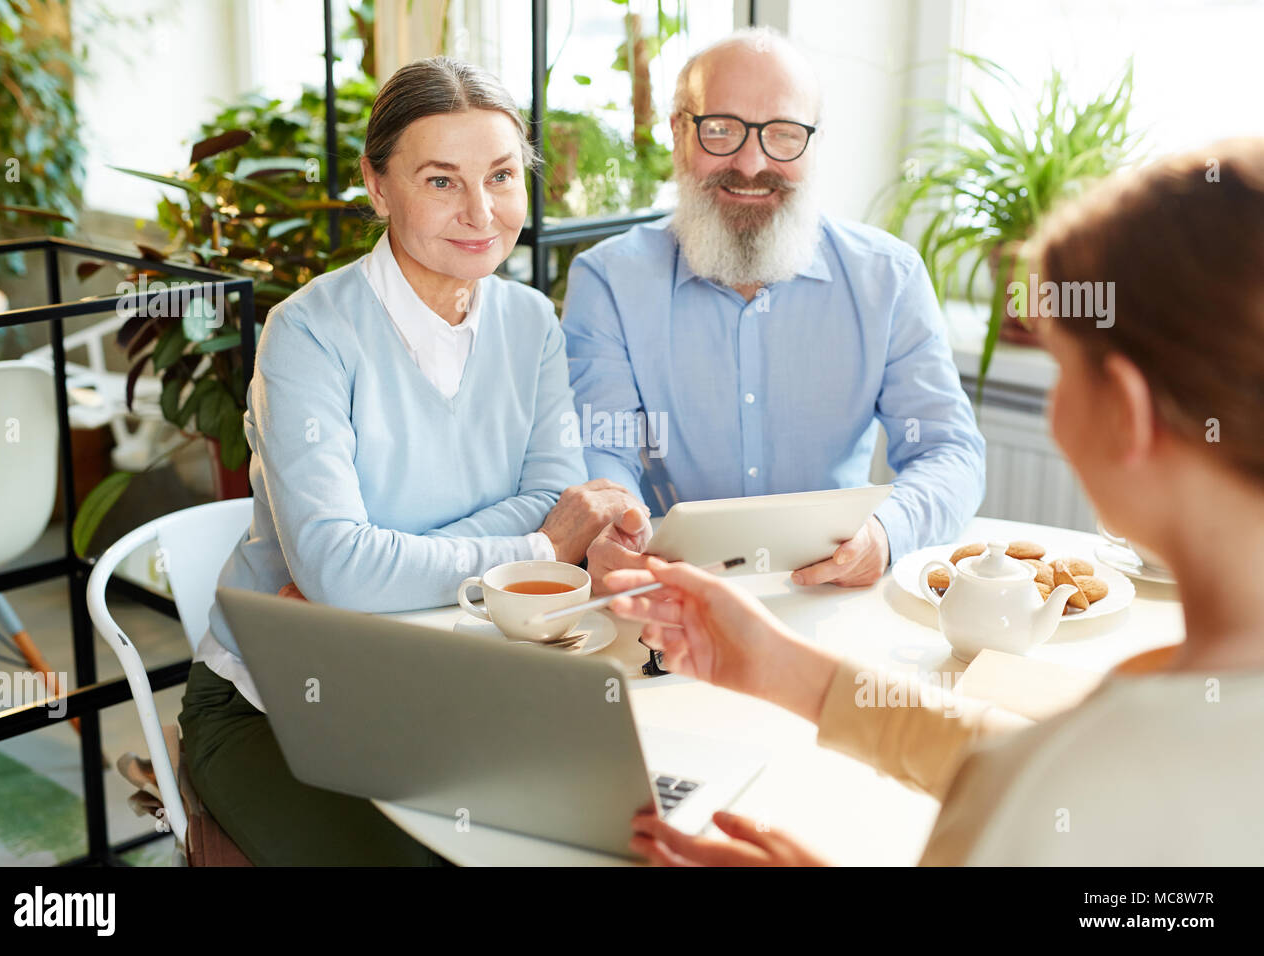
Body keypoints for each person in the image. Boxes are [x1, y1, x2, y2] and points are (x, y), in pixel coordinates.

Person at [608, 138, 1264, 865]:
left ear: (1129, 414)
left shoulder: (1081, 777)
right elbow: (1022, 765)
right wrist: (784, 668)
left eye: (1062, 369)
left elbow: (1041, 784)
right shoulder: (1170, 715)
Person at [179, 56, 642, 866]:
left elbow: (547, 496)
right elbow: (338, 569)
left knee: (610, 836)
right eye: (440, 181)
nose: (480, 212)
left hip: (455, 681)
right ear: (377, 183)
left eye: (501, 176)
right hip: (280, 703)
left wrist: (388, 554)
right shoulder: (309, 334)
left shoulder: (531, 321)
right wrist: (537, 550)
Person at [565, 28, 985, 594]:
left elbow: (950, 449)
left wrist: (885, 533)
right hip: (668, 593)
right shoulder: (608, 281)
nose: (751, 161)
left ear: (811, 144)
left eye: (784, 135)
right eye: (720, 130)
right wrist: (617, 529)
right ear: (677, 135)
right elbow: (602, 451)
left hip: (830, 595)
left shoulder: (890, 277)